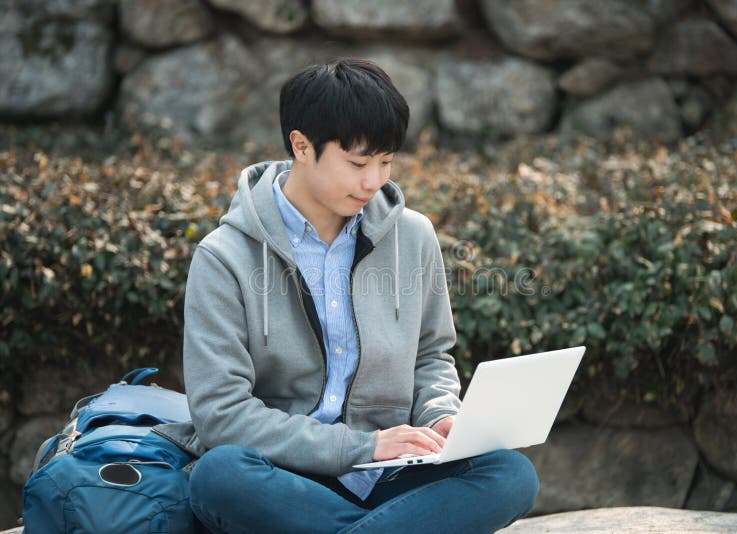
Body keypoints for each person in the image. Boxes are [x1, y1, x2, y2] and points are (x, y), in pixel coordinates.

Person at [161, 58, 539, 533]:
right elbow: (222, 416)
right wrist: (361, 448)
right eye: (358, 163)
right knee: (220, 477)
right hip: (285, 476)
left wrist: (442, 416)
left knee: (510, 474)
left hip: (393, 474)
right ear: (301, 146)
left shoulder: (413, 237)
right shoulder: (224, 258)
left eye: (385, 162)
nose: (373, 182)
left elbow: (431, 356)